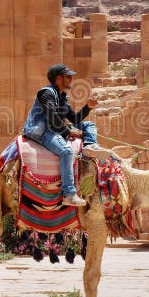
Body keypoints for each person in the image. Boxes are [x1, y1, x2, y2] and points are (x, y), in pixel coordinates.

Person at [23, 64, 114, 207]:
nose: (71, 79)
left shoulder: (62, 96)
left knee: (89, 125)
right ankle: (69, 194)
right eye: (68, 77)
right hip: (43, 131)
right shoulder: (46, 94)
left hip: (57, 127)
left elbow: (75, 119)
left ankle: (90, 146)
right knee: (66, 152)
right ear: (59, 79)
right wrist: (67, 132)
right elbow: (52, 117)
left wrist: (88, 107)